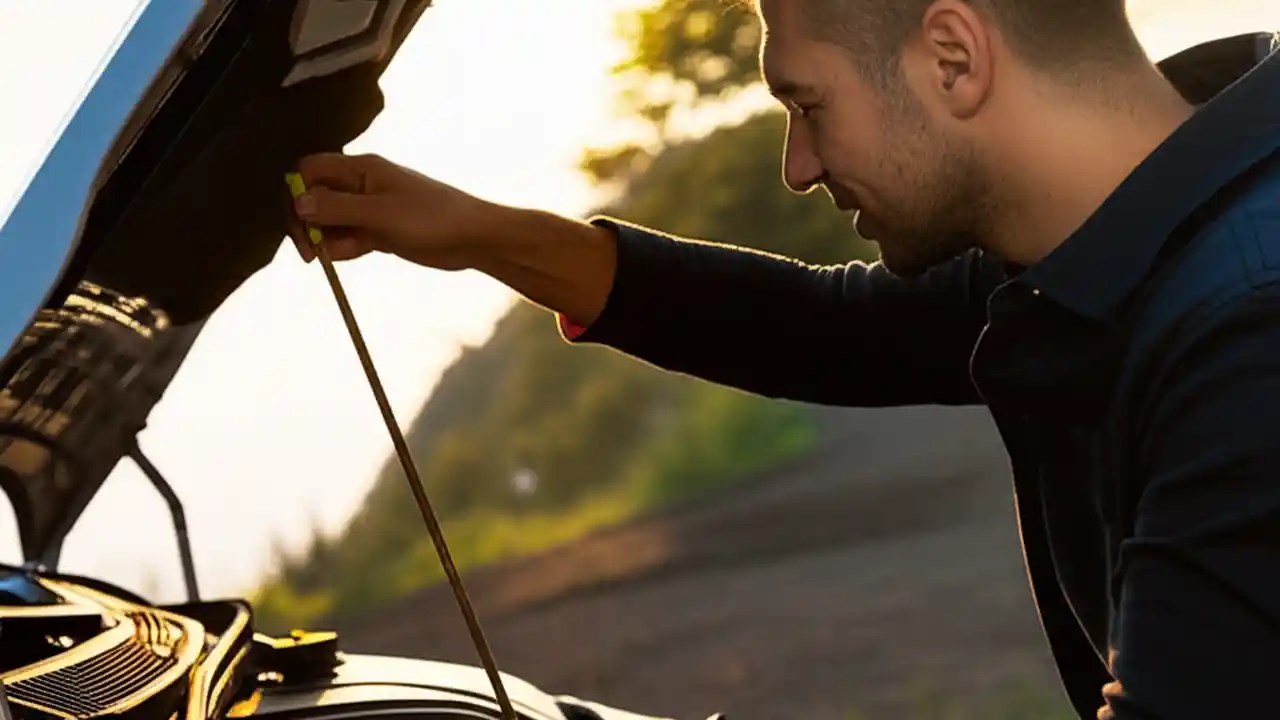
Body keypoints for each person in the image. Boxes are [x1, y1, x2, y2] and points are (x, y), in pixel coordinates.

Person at [285, 1, 1280, 717]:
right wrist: (477, 235)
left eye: (805, 104)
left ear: (951, 58)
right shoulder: (1131, 227)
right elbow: (825, 327)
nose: (796, 166)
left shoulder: (1246, 341)